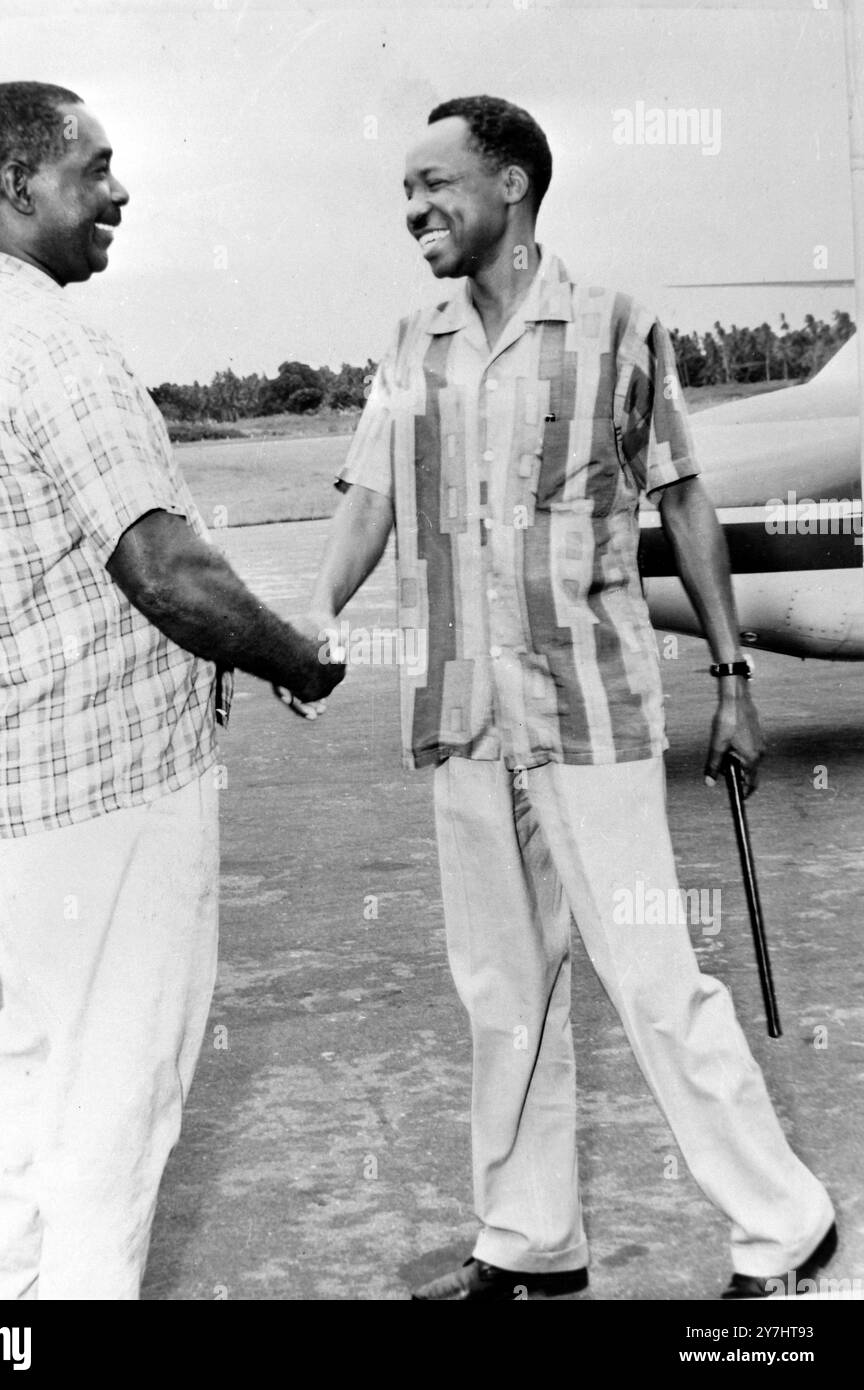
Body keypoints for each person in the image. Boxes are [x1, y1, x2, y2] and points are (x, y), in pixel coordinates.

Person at [297, 95, 836, 1301]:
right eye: (405, 190)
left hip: (592, 712)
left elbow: (685, 499)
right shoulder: (411, 340)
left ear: (514, 188)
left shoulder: (619, 328)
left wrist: (735, 679)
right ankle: (532, 1243)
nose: (414, 209)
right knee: (501, 992)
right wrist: (316, 617)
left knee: (650, 978)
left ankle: (785, 1229)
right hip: (462, 714)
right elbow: (372, 500)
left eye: (436, 184)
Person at [0, 81, 343, 1300]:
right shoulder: (57, 343)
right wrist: (296, 658)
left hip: (14, 786)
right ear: (24, 186)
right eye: (97, 170)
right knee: (115, 1110)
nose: (120, 191)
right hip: (107, 799)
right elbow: (166, 569)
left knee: (37, 1076)